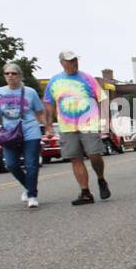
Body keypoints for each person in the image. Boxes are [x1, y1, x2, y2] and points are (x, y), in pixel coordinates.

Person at [43, 50, 111, 205]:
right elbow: (48, 104)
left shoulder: (87, 78)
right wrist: (48, 126)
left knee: (94, 155)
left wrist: (105, 121)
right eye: (70, 60)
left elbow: (103, 100)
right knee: (75, 158)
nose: (74, 63)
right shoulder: (54, 81)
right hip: (67, 127)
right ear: (62, 63)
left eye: (75, 59)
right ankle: (86, 192)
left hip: (89, 123)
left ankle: (101, 179)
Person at [0, 63, 50, 209]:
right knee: (11, 164)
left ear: (19, 76)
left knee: (31, 165)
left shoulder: (30, 92)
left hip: (30, 132)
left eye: (13, 73)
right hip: (9, 133)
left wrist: (48, 128)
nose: (10, 76)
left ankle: (32, 196)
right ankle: (30, 187)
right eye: (7, 73)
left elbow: (40, 111)